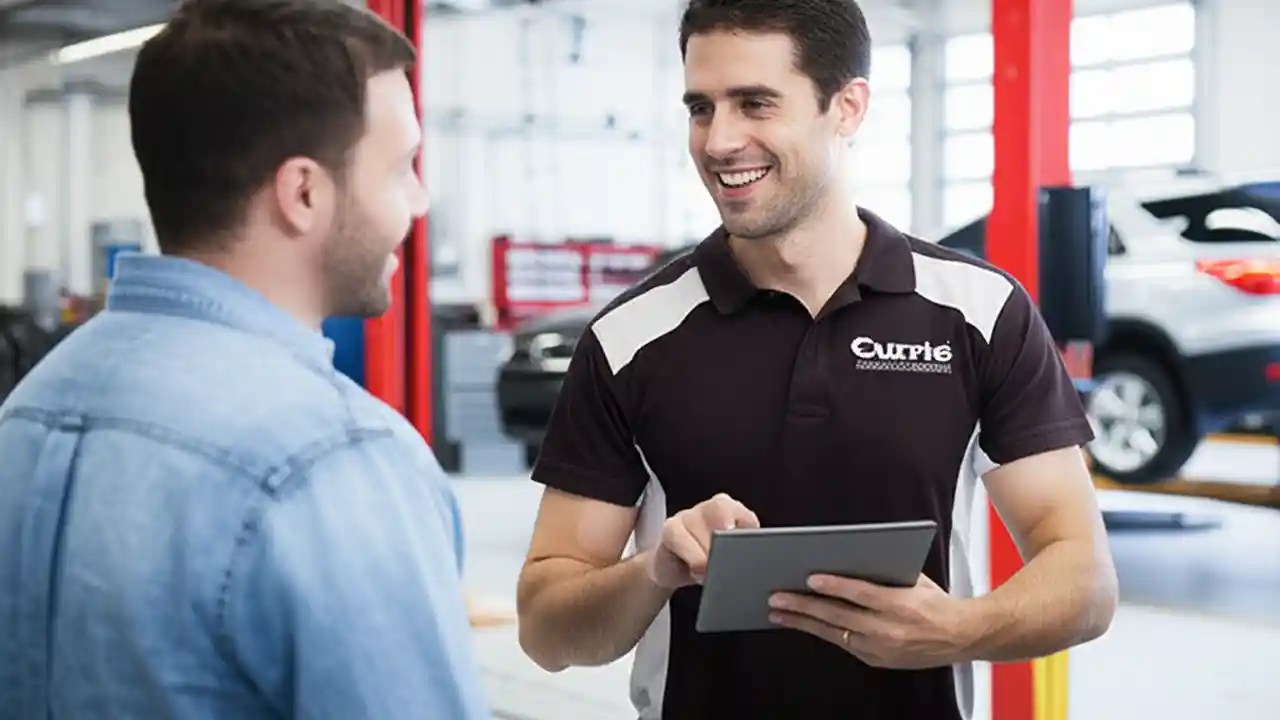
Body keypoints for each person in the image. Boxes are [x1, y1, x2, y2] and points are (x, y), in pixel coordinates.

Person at [515, 1, 1119, 718]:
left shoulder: (979, 313)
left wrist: (955, 629)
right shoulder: (630, 338)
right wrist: (657, 570)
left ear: (848, 107)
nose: (719, 140)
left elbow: (1084, 578)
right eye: (701, 108)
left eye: (756, 103)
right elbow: (546, 630)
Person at [0, 1, 491, 718]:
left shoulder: (26, 415)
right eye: (402, 167)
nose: (417, 201)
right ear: (303, 193)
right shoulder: (334, 461)